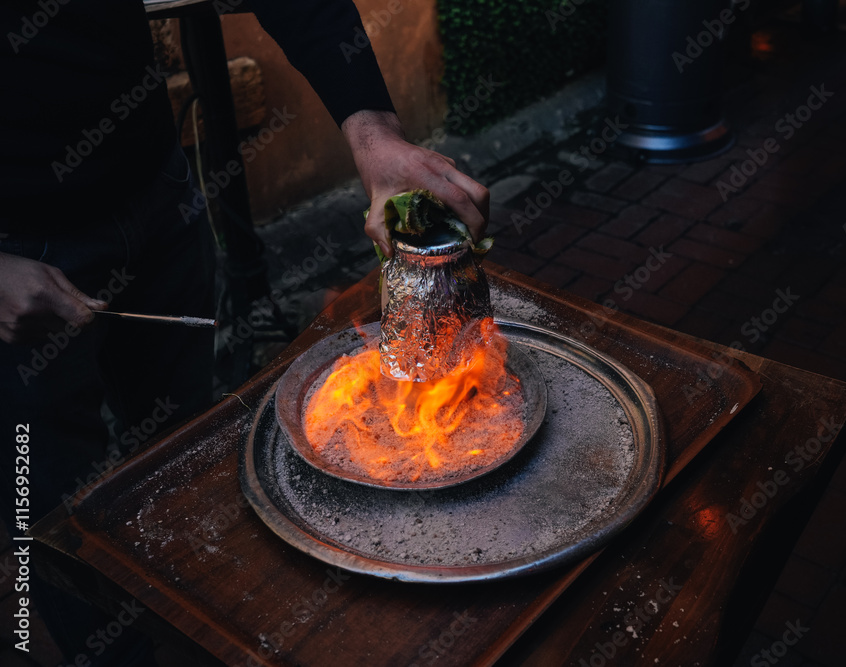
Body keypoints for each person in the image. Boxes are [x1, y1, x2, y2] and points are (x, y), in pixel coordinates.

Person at [0, 1, 488, 664]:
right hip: (15, 244)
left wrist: (372, 131)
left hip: (153, 184)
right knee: (49, 508)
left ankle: (194, 626)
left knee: (178, 453)